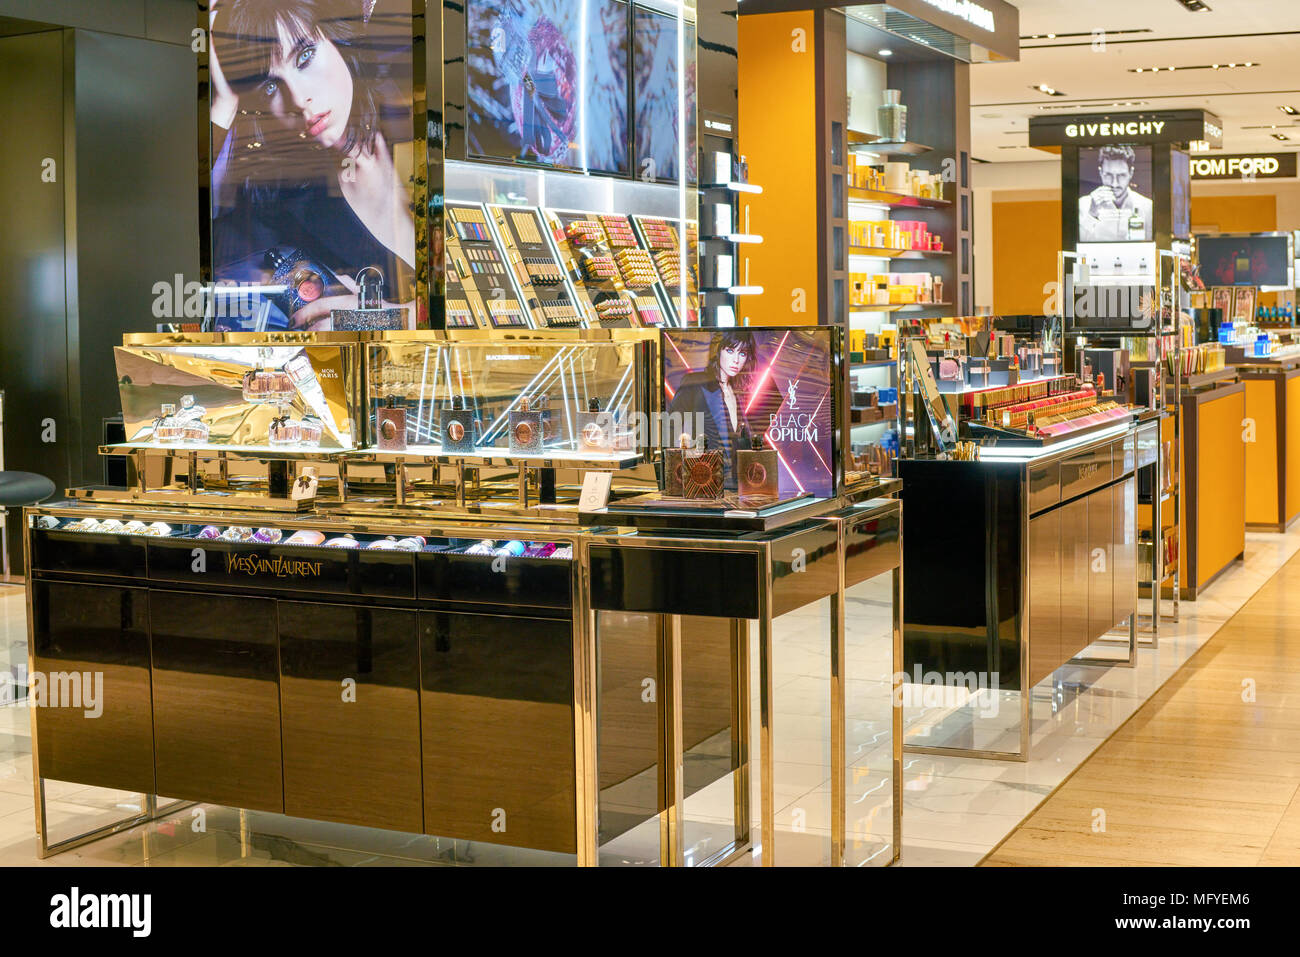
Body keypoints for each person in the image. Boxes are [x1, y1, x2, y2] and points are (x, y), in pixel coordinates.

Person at [210, 0, 416, 329]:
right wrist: (223, 103)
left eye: (305, 57)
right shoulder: (287, 211)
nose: (298, 98)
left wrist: (398, 319)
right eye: (271, 86)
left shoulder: (421, 126)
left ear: (339, 40)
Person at [667, 330, 757, 489]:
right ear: (718, 350)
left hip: (735, 487)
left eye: (742, 353)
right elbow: (669, 427)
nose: (736, 360)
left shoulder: (738, 393)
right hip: (702, 482)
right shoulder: (695, 384)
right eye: (730, 351)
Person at [1079, 145, 1153, 242]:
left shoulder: (1148, 207)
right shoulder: (1082, 205)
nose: (1114, 183)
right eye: (1108, 175)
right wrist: (1091, 214)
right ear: (1101, 173)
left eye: (1121, 175)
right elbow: (1075, 249)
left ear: (1131, 173)